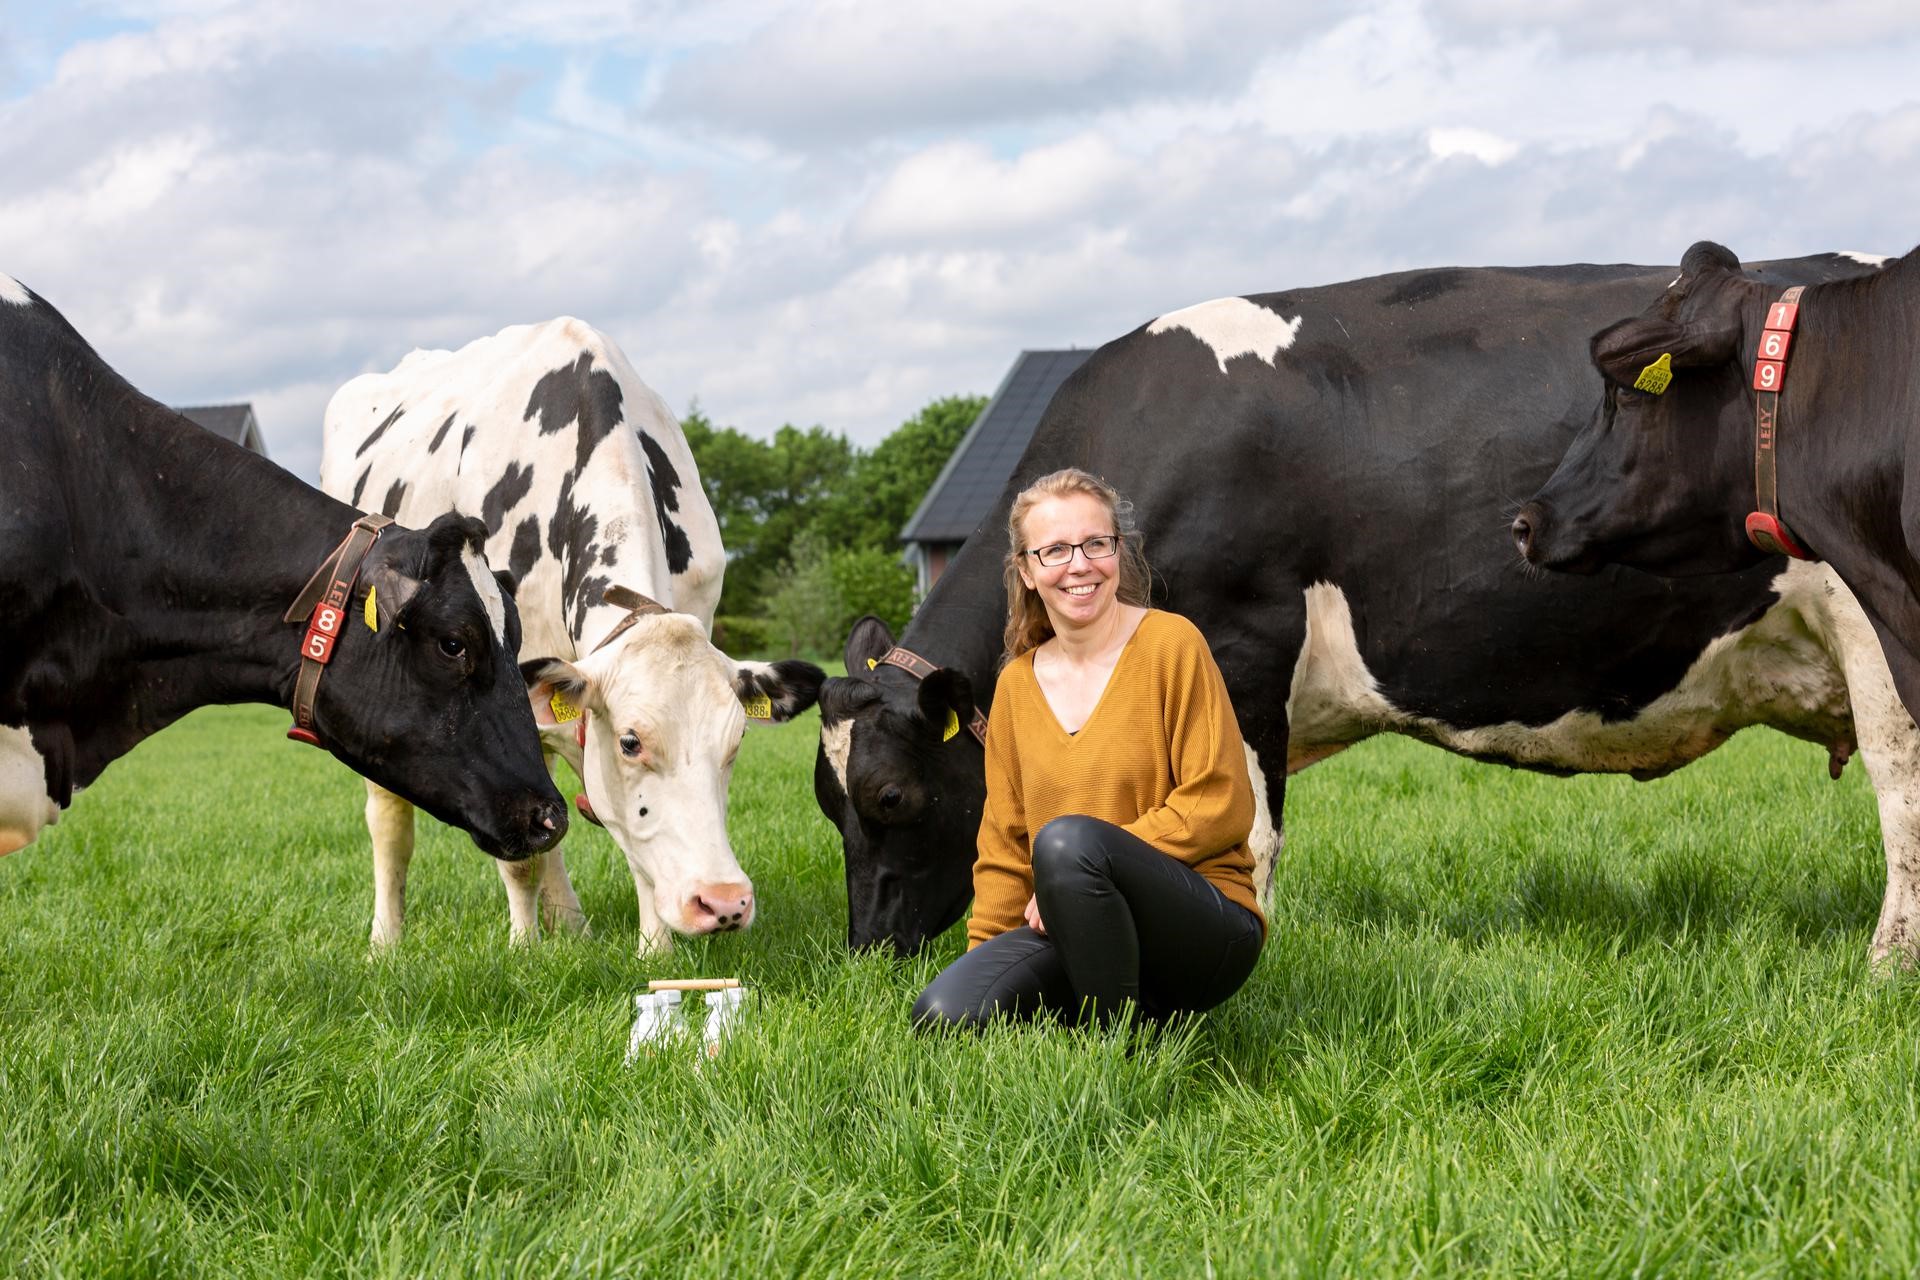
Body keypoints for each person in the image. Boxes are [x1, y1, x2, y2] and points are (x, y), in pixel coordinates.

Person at [911, 467, 1264, 1029]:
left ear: (1118, 552)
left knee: (1067, 842)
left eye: (1095, 543)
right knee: (946, 1013)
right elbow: (1004, 845)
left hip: (1201, 924)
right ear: (1026, 570)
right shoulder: (1015, 687)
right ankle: (1101, 999)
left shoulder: (1171, 645)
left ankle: (1119, 1050)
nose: (1079, 565)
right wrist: (989, 958)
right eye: (1054, 550)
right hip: (1072, 924)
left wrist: (1076, 868)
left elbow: (1221, 801)